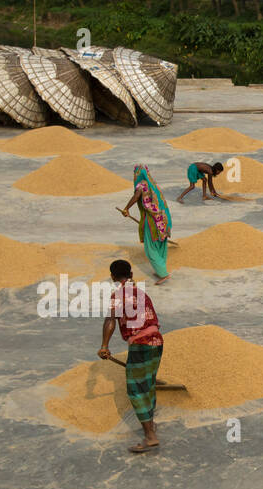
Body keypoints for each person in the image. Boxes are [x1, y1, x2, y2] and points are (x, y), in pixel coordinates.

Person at [98, 259, 163, 454]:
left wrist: (104, 346)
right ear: (132, 274)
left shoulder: (117, 296)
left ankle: (150, 436)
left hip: (141, 345)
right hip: (157, 342)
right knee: (148, 385)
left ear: (112, 277)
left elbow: (110, 320)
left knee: (136, 390)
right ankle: (151, 424)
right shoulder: (142, 293)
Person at [121, 165, 172, 285]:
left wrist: (126, 208)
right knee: (160, 246)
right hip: (163, 219)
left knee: (150, 248)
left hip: (152, 220)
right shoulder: (153, 184)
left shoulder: (142, 185)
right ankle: (160, 269)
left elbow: (136, 196)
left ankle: (163, 274)